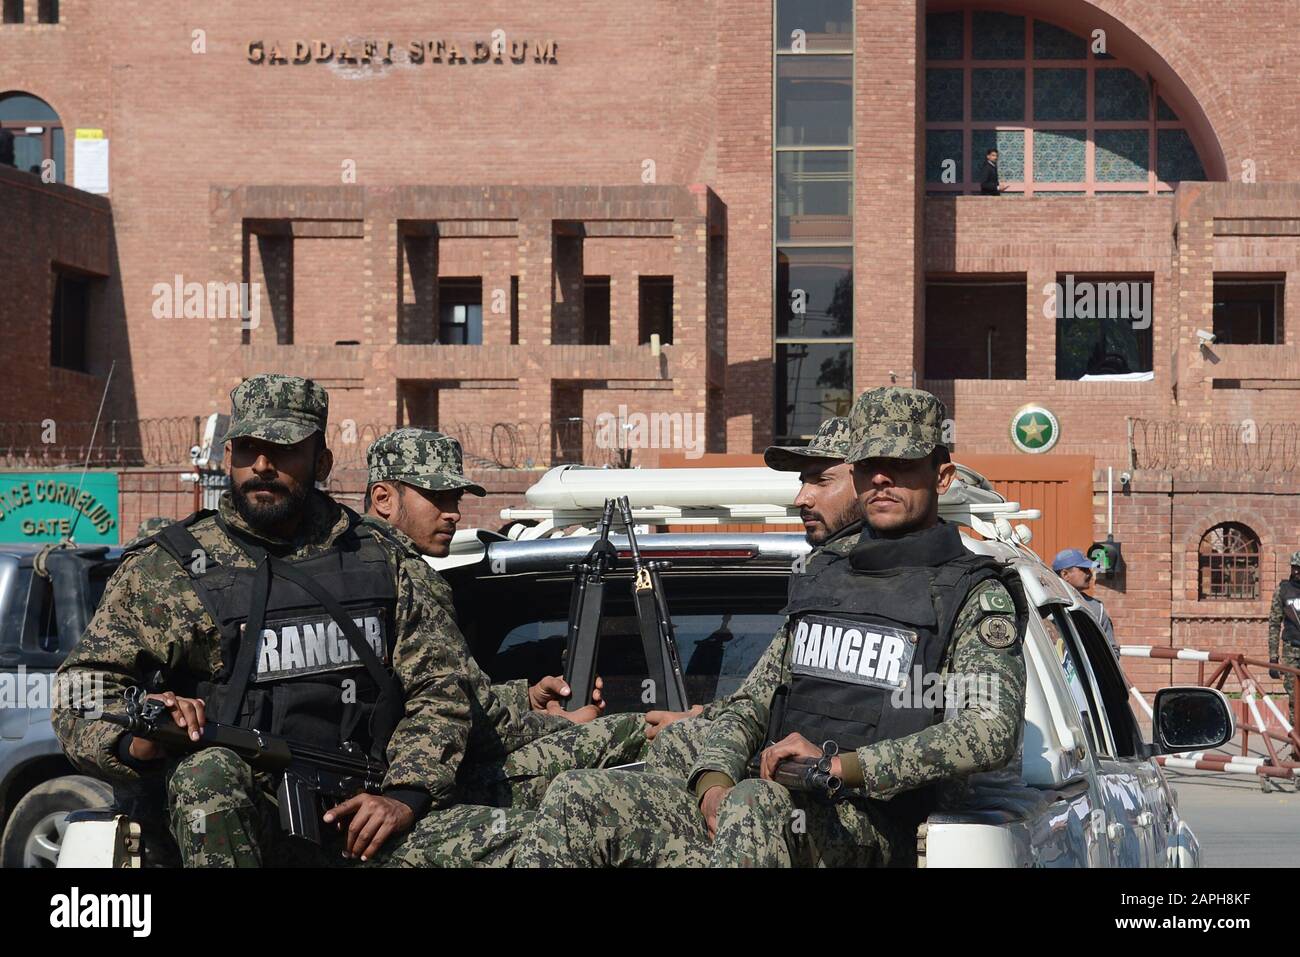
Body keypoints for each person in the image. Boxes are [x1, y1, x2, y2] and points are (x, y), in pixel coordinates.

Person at [52, 374, 572, 867]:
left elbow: (441, 689)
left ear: (320, 461)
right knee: (207, 773)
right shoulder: (166, 569)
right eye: (248, 449)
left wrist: (404, 795)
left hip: (367, 816)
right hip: (229, 825)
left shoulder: (381, 560)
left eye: (283, 451)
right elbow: (81, 689)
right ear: (227, 456)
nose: (261, 465)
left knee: (566, 835)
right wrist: (137, 735)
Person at [515, 387, 1027, 867]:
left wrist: (843, 767)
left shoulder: (973, 592)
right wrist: (713, 780)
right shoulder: (825, 576)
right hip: (769, 805)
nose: (881, 480)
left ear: (941, 476)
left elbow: (989, 730)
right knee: (579, 795)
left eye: (902, 466)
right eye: (870, 466)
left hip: (868, 821)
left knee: (757, 802)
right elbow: (752, 703)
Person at [1052, 548, 1116, 651]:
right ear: (1065, 574)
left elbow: (1112, 650)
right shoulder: (1046, 602)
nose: (1089, 574)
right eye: (1084, 569)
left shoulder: (1096, 608)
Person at [1267, 551, 1300, 724]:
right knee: (1294, 699)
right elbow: (1274, 623)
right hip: (1291, 651)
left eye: (1299, 568)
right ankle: (1297, 744)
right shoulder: (1283, 590)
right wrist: (1273, 658)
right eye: (1295, 567)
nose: (1296, 572)